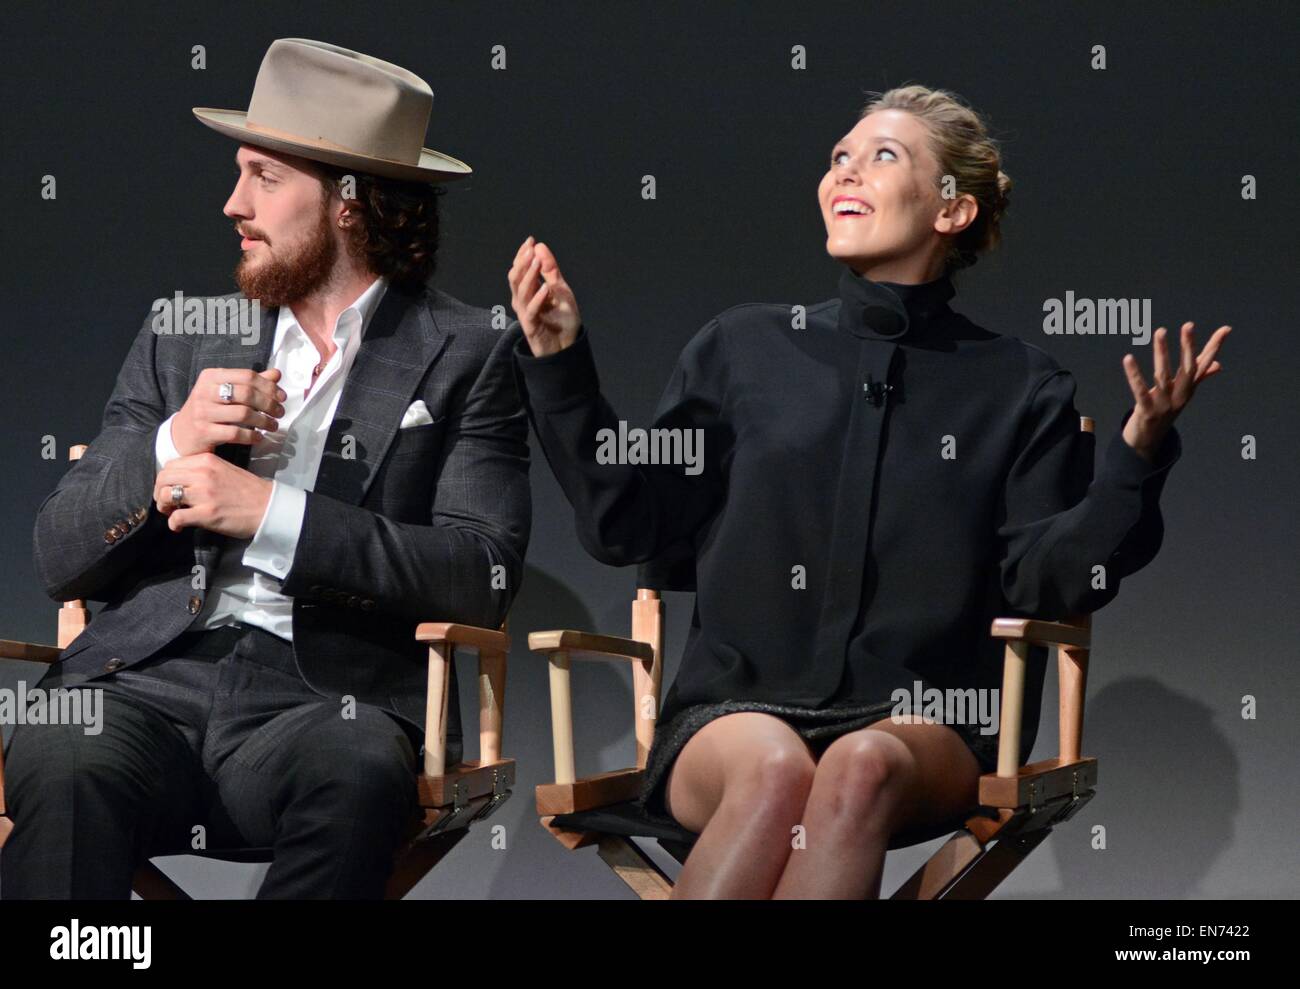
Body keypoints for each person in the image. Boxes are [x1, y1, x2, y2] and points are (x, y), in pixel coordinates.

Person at [508, 84, 1230, 899]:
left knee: (857, 767)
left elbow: (1046, 578)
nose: (844, 173)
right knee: (778, 769)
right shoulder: (743, 347)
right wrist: (560, 363)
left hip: (926, 721)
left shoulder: (1019, 384)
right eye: (838, 157)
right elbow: (624, 523)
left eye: (883, 156)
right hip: (736, 713)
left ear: (952, 211)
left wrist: (1138, 451)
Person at [0, 38, 531, 899]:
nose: (232, 203)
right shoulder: (184, 330)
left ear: (349, 204)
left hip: (326, 700)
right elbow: (59, 552)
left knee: (356, 772)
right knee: (63, 750)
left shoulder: (468, 351)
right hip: (146, 679)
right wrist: (170, 445)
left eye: (264, 177)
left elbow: (482, 574)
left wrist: (273, 512)